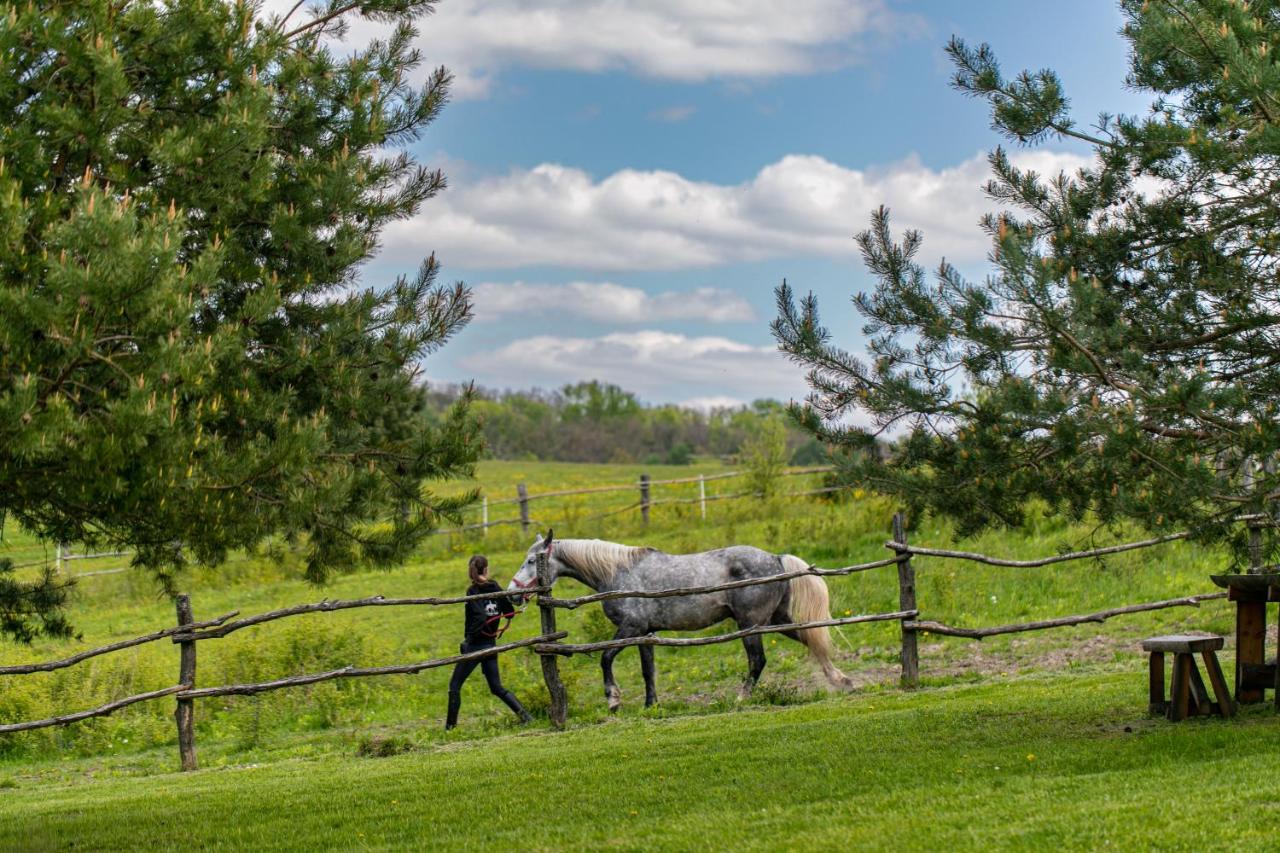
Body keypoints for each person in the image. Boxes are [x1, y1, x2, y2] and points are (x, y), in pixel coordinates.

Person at [445, 554, 533, 730]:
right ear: (486, 569)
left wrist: (468, 640)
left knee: (454, 686)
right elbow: (508, 612)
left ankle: (450, 729)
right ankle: (527, 717)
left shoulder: (472, 592)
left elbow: (479, 616)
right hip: (490, 645)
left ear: (471, 572)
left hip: (475, 647)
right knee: (496, 687)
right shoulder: (496, 587)